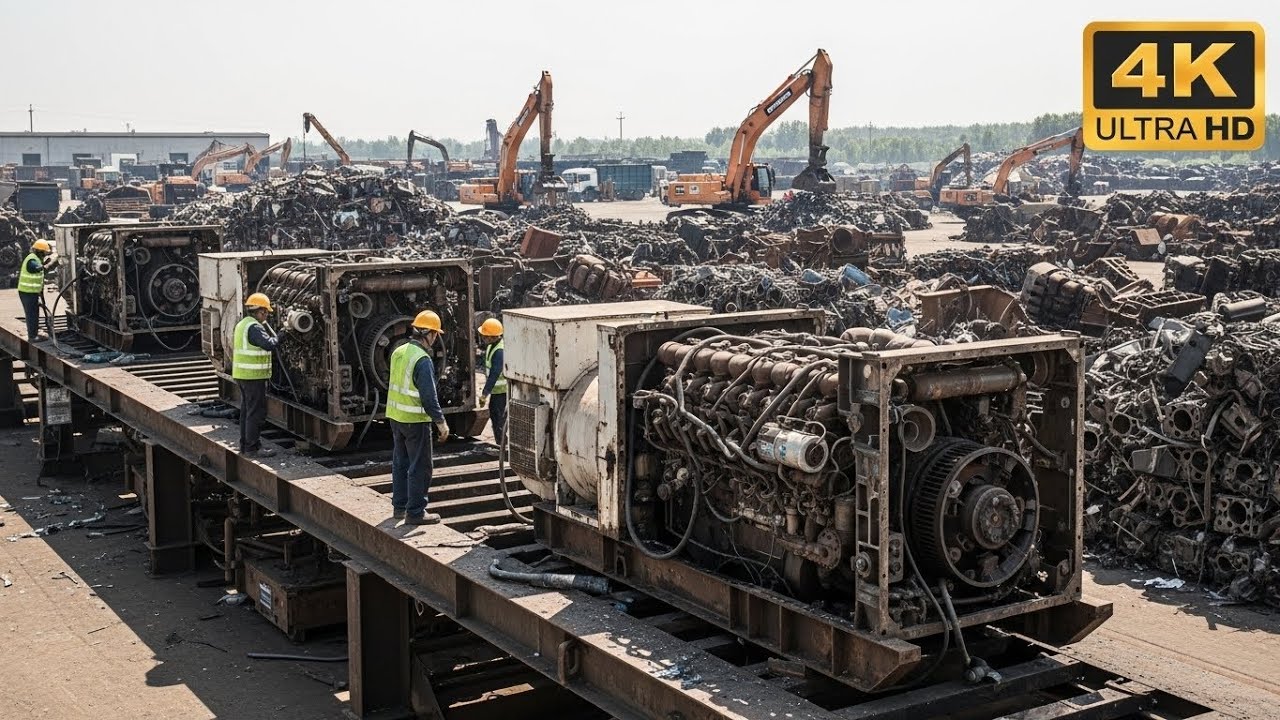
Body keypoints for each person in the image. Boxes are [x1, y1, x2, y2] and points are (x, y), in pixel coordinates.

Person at [387, 310, 449, 525]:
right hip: (415, 420)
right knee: (420, 466)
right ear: (430, 334)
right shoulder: (422, 360)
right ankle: (415, 513)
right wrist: (441, 422)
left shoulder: (398, 351)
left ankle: (399, 507)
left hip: (396, 416)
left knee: (401, 463)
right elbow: (429, 397)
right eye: (435, 334)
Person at [233, 293, 279, 458]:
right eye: (265, 312)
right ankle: (252, 448)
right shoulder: (254, 327)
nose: (266, 316)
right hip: (252, 377)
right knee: (255, 413)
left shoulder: (243, 324)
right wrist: (283, 334)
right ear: (259, 311)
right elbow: (269, 344)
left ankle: (245, 445)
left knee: (247, 412)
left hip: (243, 375)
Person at [477, 318, 507, 447]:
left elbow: (494, 374)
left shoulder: (499, 351)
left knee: (499, 418)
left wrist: (485, 393)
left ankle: (502, 445)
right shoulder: (491, 347)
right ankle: (501, 443)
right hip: (496, 391)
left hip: (502, 392)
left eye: (484, 336)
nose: (482, 338)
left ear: (491, 337)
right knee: (495, 416)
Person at [18, 239, 54, 343]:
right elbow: (37, 268)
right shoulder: (32, 260)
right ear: (39, 251)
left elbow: (41, 272)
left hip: (32, 292)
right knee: (31, 314)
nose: (45, 254)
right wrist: (50, 264)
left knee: (34, 313)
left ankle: (34, 332)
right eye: (44, 252)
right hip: (27, 292)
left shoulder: (37, 259)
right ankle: (32, 337)